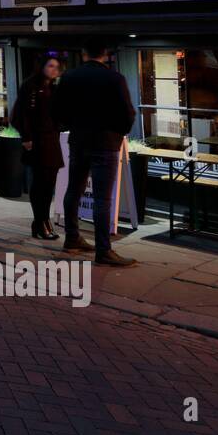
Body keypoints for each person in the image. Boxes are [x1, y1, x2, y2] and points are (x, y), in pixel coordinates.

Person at [52, 41, 138, 268]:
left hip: (79, 140)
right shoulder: (114, 79)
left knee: (74, 189)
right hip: (106, 142)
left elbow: (58, 110)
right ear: (105, 53)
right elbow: (128, 113)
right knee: (102, 198)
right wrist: (118, 133)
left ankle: (72, 238)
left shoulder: (70, 77)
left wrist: (74, 125)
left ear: (83, 53)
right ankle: (103, 250)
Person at [12, 55, 64, 240]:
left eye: (56, 66)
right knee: (40, 182)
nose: (54, 69)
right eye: (50, 65)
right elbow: (19, 114)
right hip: (37, 140)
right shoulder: (30, 86)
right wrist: (26, 138)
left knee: (49, 182)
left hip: (52, 139)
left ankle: (43, 220)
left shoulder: (54, 87)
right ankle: (40, 221)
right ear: (42, 66)